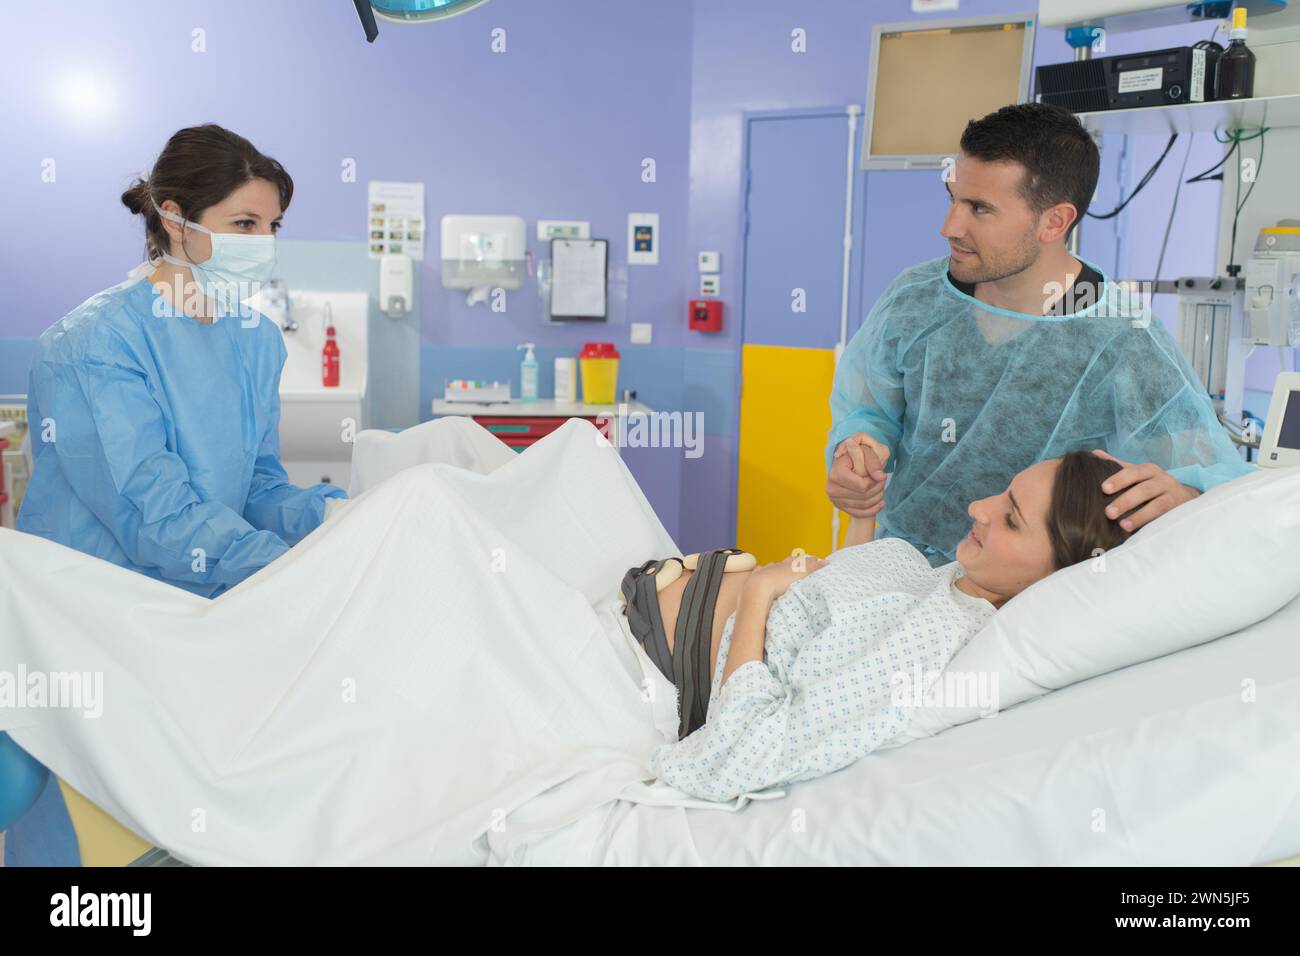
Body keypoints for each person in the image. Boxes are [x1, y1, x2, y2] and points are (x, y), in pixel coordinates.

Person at [824, 103, 1253, 567]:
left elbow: (1215, 475)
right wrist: (858, 452)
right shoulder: (916, 298)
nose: (950, 226)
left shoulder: (1123, 338)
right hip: (900, 571)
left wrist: (1186, 492)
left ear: (1054, 221)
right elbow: (867, 410)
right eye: (953, 197)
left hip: (1024, 602)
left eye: (980, 209)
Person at [629, 450, 1135, 803]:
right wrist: (862, 518)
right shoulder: (957, 583)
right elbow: (844, 622)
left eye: (1011, 519)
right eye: (1004, 493)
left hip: (646, 652)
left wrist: (760, 592)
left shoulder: (929, 648)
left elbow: (743, 751)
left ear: (1054, 576)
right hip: (659, 600)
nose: (979, 508)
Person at [18, 124, 346, 599]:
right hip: (97, 606)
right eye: (244, 224)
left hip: (209, 595)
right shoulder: (93, 344)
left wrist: (335, 518)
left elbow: (256, 488)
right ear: (174, 219)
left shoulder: (257, 342)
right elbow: (152, 514)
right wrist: (287, 568)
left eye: (272, 226)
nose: (263, 243)